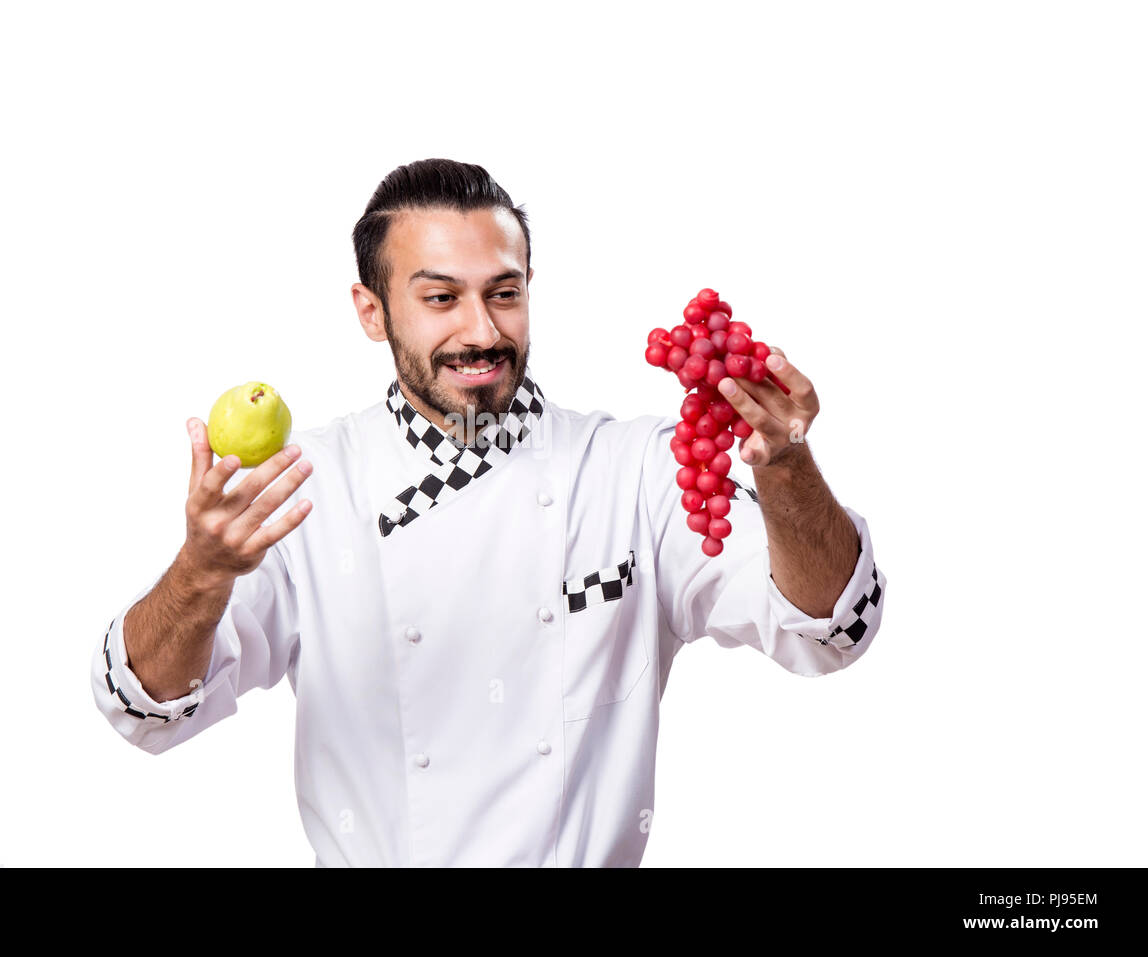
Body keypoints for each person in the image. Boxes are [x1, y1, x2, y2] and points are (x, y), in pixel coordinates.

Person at [90, 158, 887, 867]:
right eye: (441, 298)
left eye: (503, 294)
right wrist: (202, 569)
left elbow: (830, 624)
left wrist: (786, 465)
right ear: (372, 312)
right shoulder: (305, 485)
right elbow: (145, 706)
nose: (481, 330)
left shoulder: (632, 471)